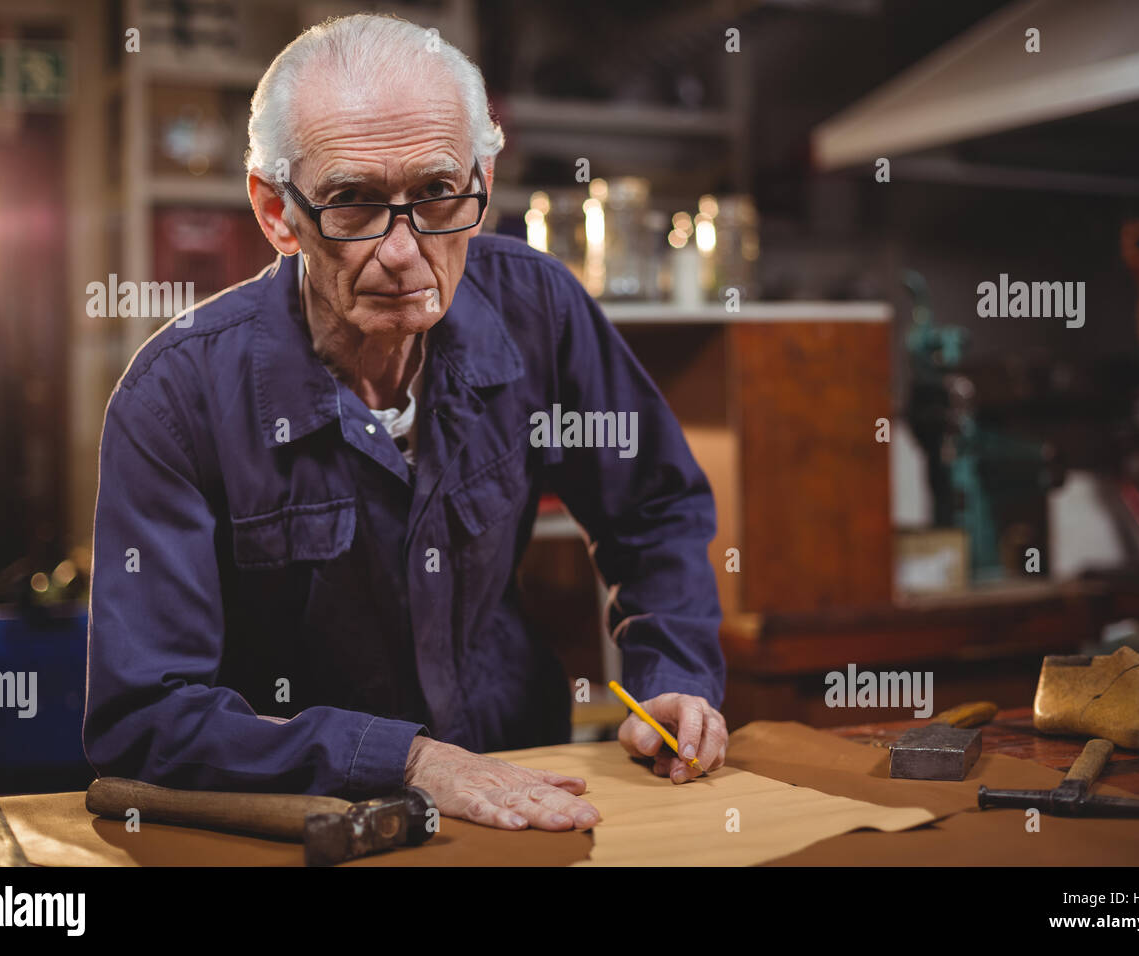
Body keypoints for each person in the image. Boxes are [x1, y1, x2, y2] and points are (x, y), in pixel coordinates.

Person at [83, 13, 727, 832]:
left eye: (435, 194)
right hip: (306, 830)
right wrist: (408, 759)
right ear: (277, 212)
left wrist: (676, 671)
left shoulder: (539, 312)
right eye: (353, 204)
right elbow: (142, 722)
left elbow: (655, 507)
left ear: (484, 184)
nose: (403, 250)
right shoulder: (175, 399)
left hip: (528, 782)